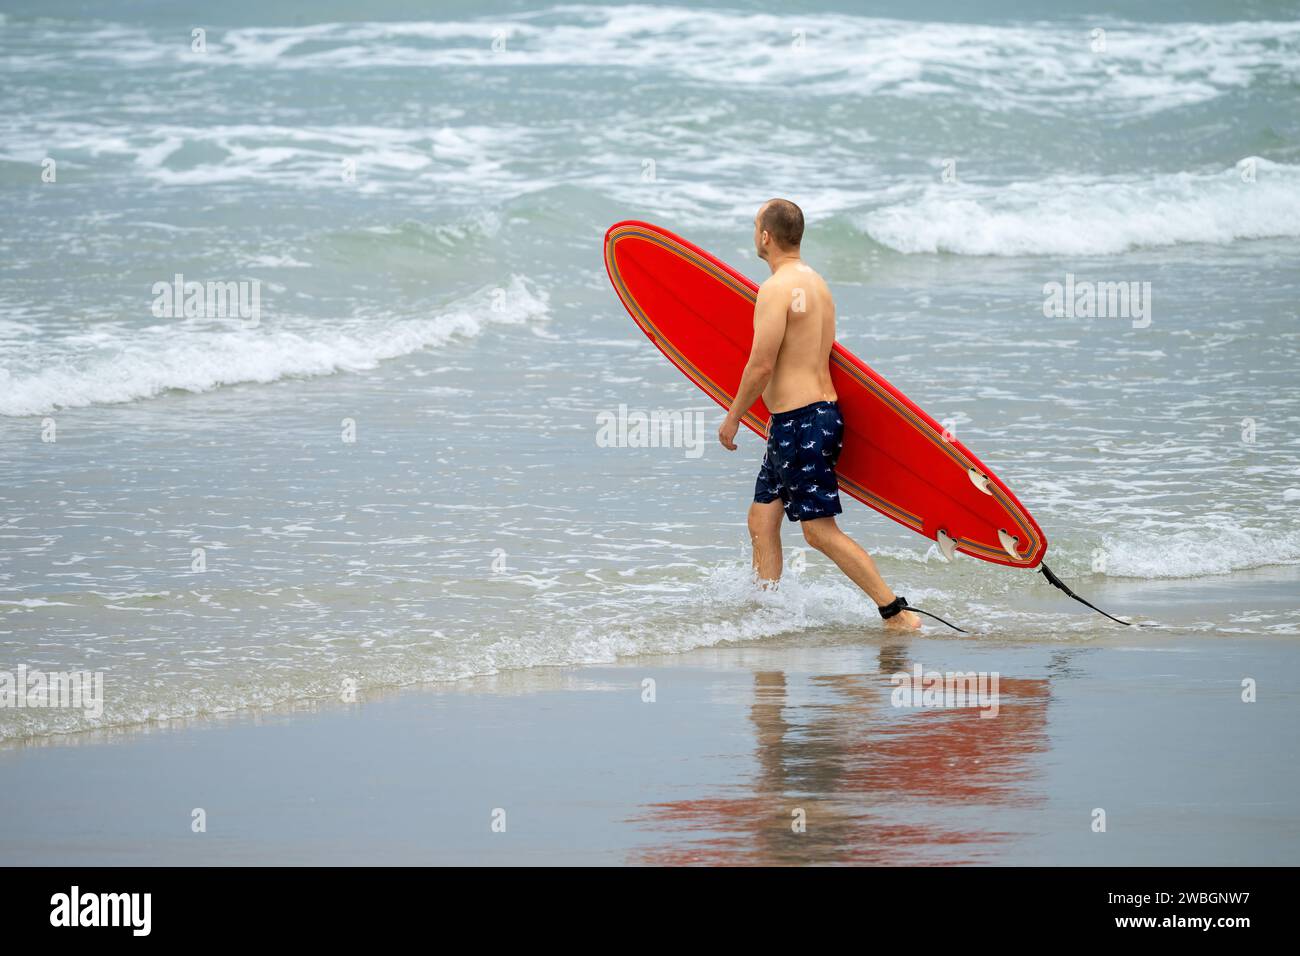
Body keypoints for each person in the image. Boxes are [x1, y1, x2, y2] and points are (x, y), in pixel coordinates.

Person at [716, 199, 921, 630]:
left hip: (801, 422)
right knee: (762, 516)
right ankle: (768, 613)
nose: (755, 234)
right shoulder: (817, 284)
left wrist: (734, 416)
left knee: (818, 531)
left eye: (756, 227)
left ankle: (895, 613)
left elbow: (762, 364)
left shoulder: (774, 290)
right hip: (802, 420)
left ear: (765, 236)